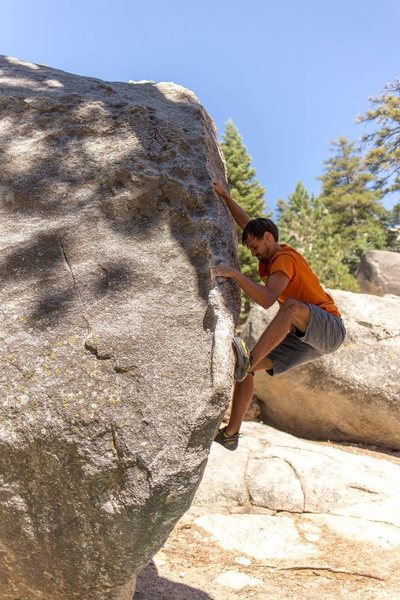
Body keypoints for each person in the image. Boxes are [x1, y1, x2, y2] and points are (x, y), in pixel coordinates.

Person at [211, 181, 346, 451]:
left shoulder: (284, 258)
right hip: (305, 338)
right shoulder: (268, 256)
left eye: (254, 246)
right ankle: (231, 434)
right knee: (247, 371)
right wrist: (225, 197)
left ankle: (249, 357)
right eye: (249, 248)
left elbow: (266, 299)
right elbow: (248, 224)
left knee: (291, 307)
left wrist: (235, 274)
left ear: (269, 238)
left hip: (329, 327)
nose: (253, 252)